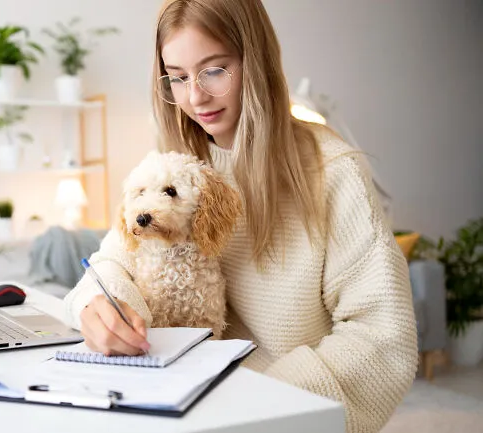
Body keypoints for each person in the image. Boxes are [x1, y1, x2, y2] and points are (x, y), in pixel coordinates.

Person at [63, 1, 418, 431]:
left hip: (271, 414)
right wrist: (105, 305)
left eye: (214, 70)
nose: (195, 97)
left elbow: (382, 338)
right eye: (177, 77)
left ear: (257, 61)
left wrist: (256, 402)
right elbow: (113, 261)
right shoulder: (178, 164)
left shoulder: (332, 173)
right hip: (177, 405)